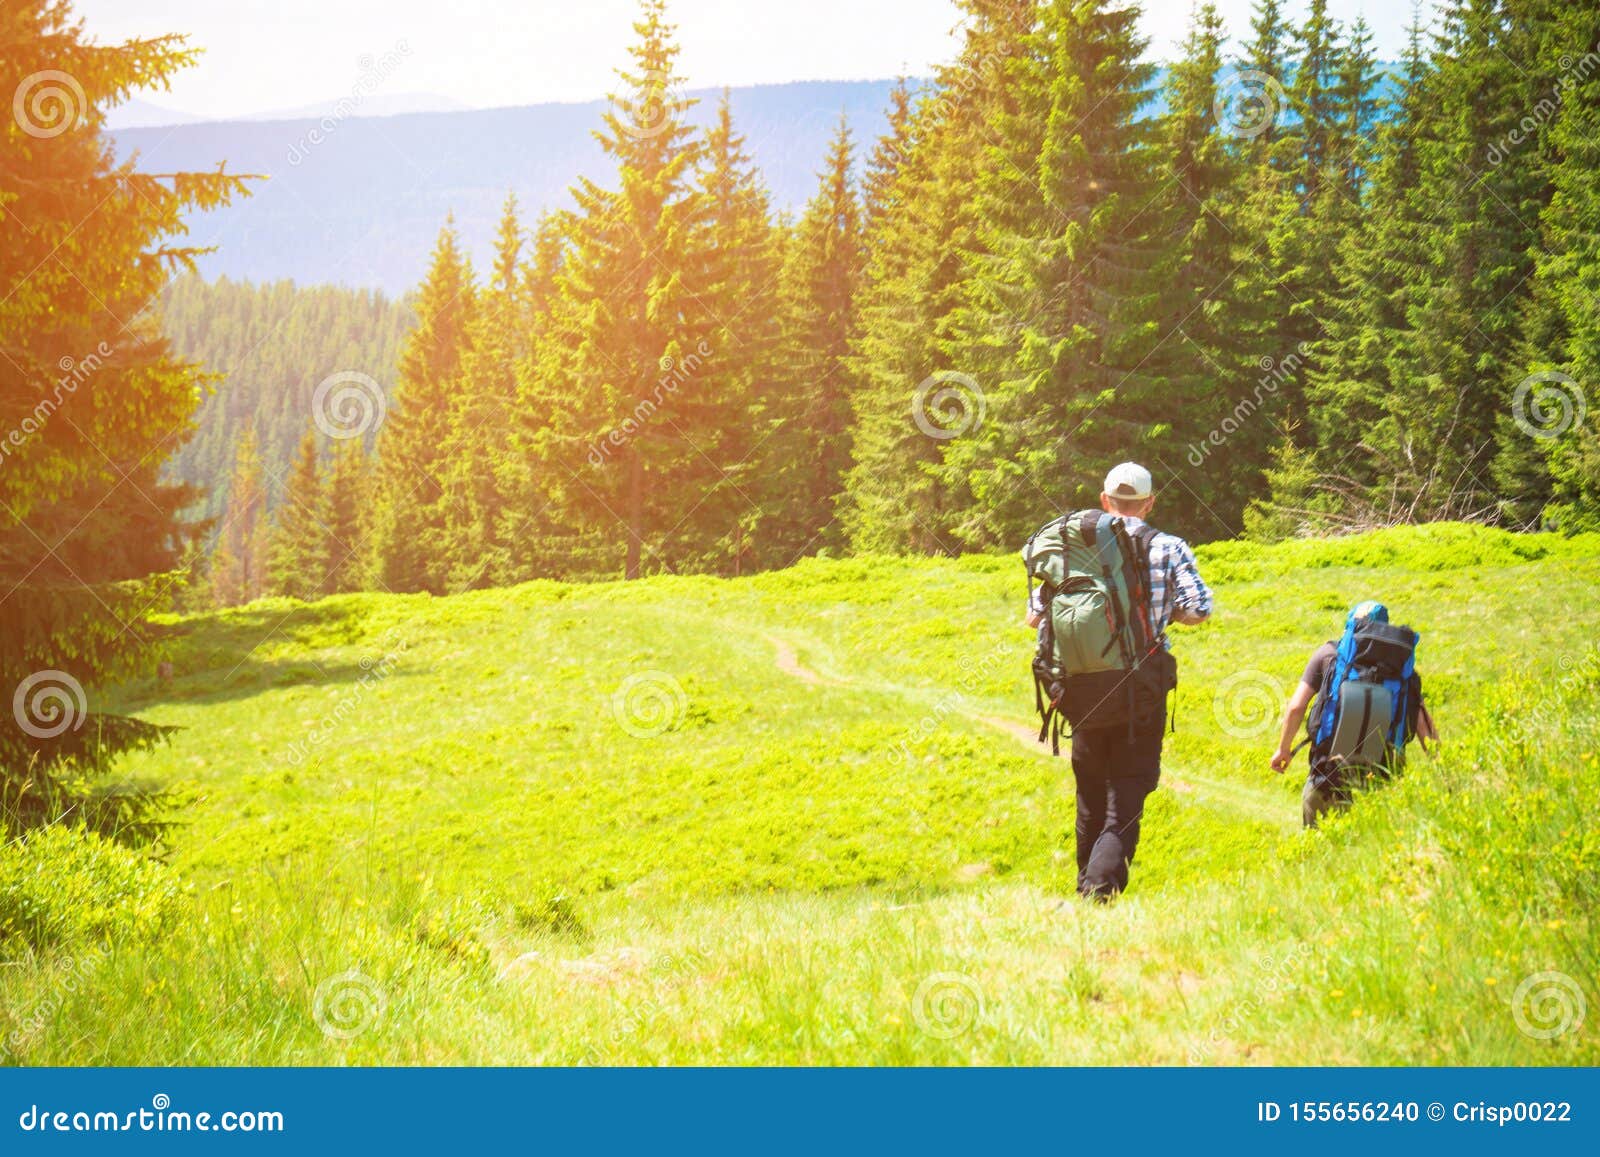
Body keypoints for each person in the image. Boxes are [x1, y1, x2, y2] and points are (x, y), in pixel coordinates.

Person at [1026, 463, 1213, 899]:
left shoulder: (1071, 548)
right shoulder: (1166, 546)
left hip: (1079, 687)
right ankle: (1101, 891)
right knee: (1128, 789)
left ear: (1104, 500)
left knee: (1090, 792)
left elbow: (1035, 615)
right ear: (1150, 502)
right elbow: (1199, 609)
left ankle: (1084, 888)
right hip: (1138, 689)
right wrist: (1162, 616)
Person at [1270, 600, 1439, 827]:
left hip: (1328, 777)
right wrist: (1443, 770)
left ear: (1350, 628)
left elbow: (1296, 707)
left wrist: (1283, 750)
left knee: (1317, 847)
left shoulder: (1328, 655)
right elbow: (1426, 731)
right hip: (1383, 783)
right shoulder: (1401, 671)